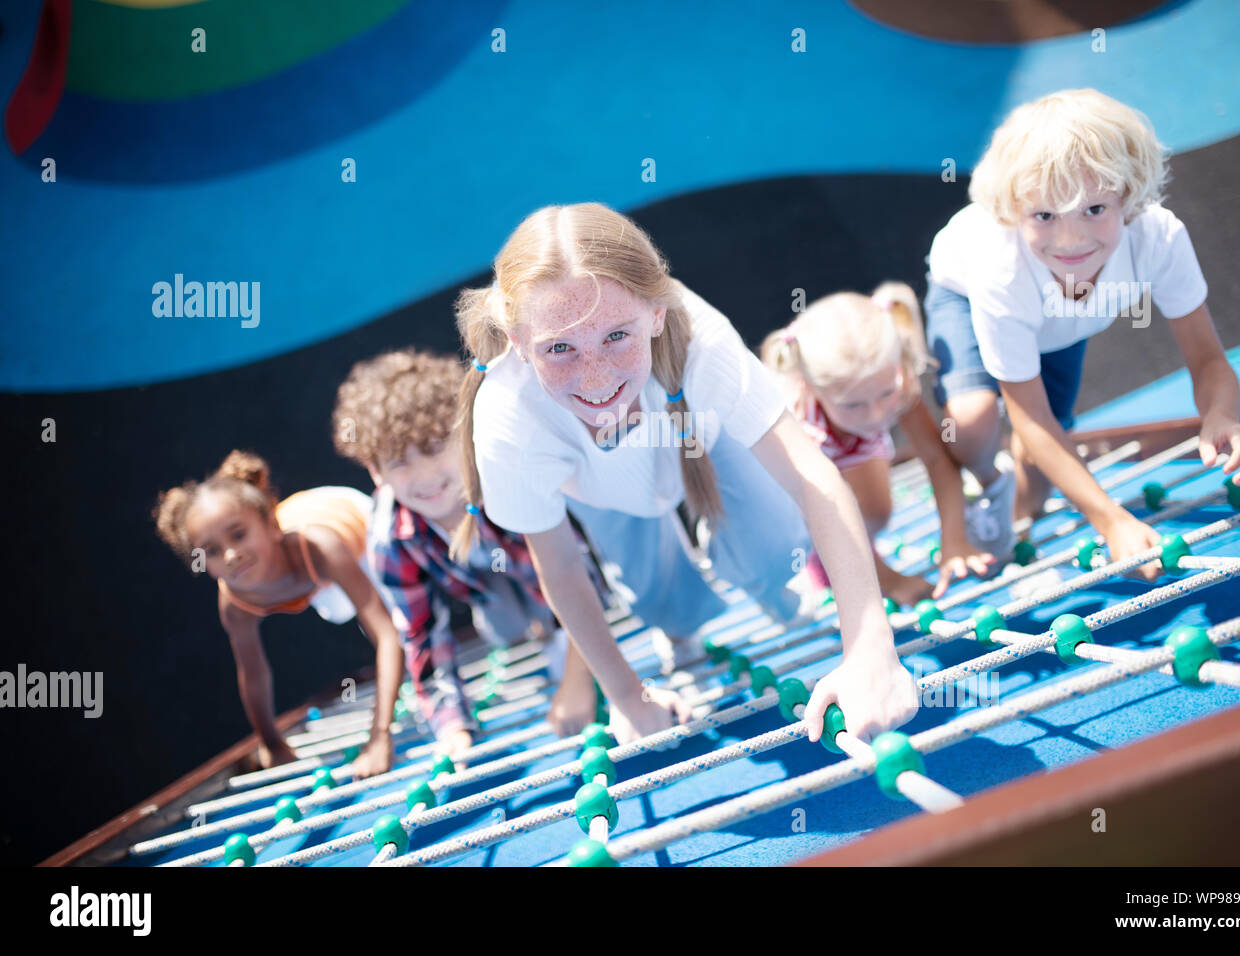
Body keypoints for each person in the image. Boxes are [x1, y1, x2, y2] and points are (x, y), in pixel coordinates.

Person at [452, 202, 917, 746]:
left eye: (617, 336)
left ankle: (772, 583)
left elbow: (810, 475)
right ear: (515, 340)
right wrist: (627, 695)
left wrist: (870, 648)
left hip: (702, 436)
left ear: (655, 314)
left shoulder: (702, 342)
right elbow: (559, 565)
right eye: (559, 348)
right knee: (660, 600)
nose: (596, 378)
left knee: (774, 550)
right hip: (604, 490)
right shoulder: (509, 418)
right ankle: (678, 626)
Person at [925, 88, 1240, 578]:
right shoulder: (1000, 270)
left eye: (1094, 209)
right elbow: (1030, 416)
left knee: (1038, 480)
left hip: (1057, 323)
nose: (1071, 240)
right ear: (1015, 212)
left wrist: (1223, 417)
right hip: (964, 293)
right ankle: (985, 480)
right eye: (1044, 215)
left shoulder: (1157, 237)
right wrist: (1110, 520)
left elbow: (1207, 359)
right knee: (973, 419)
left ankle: (1016, 501)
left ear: (1127, 196)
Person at [332, 349, 600, 758]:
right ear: (375, 472)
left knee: (558, 622)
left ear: (464, 433)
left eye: (434, 447)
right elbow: (422, 635)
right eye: (399, 462)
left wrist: (578, 677)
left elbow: (575, 572)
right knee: (505, 630)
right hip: (479, 587)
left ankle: (552, 635)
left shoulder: (507, 476)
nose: (424, 476)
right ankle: (520, 624)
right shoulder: (389, 539)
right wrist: (451, 725)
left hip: (544, 573)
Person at [153, 451, 401, 777]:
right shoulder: (235, 603)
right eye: (211, 551)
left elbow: (385, 634)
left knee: (400, 618)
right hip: (321, 582)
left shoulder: (321, 547)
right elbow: (254, 674)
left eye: (238, 534)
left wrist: (380, 736)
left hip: (360, 528)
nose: (231, 555)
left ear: (273, 525)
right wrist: (271, 743)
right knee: (338, 610)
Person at [762, 283, 996, 603]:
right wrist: (889, 580)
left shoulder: (895, 382)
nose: (875, 414)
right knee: (841, 517)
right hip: (785, 490)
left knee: (876, 512)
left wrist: (954, 540)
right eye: (853, 404)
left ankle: (848, 556)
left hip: (848, 441)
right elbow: (818, 515)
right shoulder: (797, 421)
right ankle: (822, 562)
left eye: (886, 394)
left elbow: (937, 459)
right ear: (810, 387)